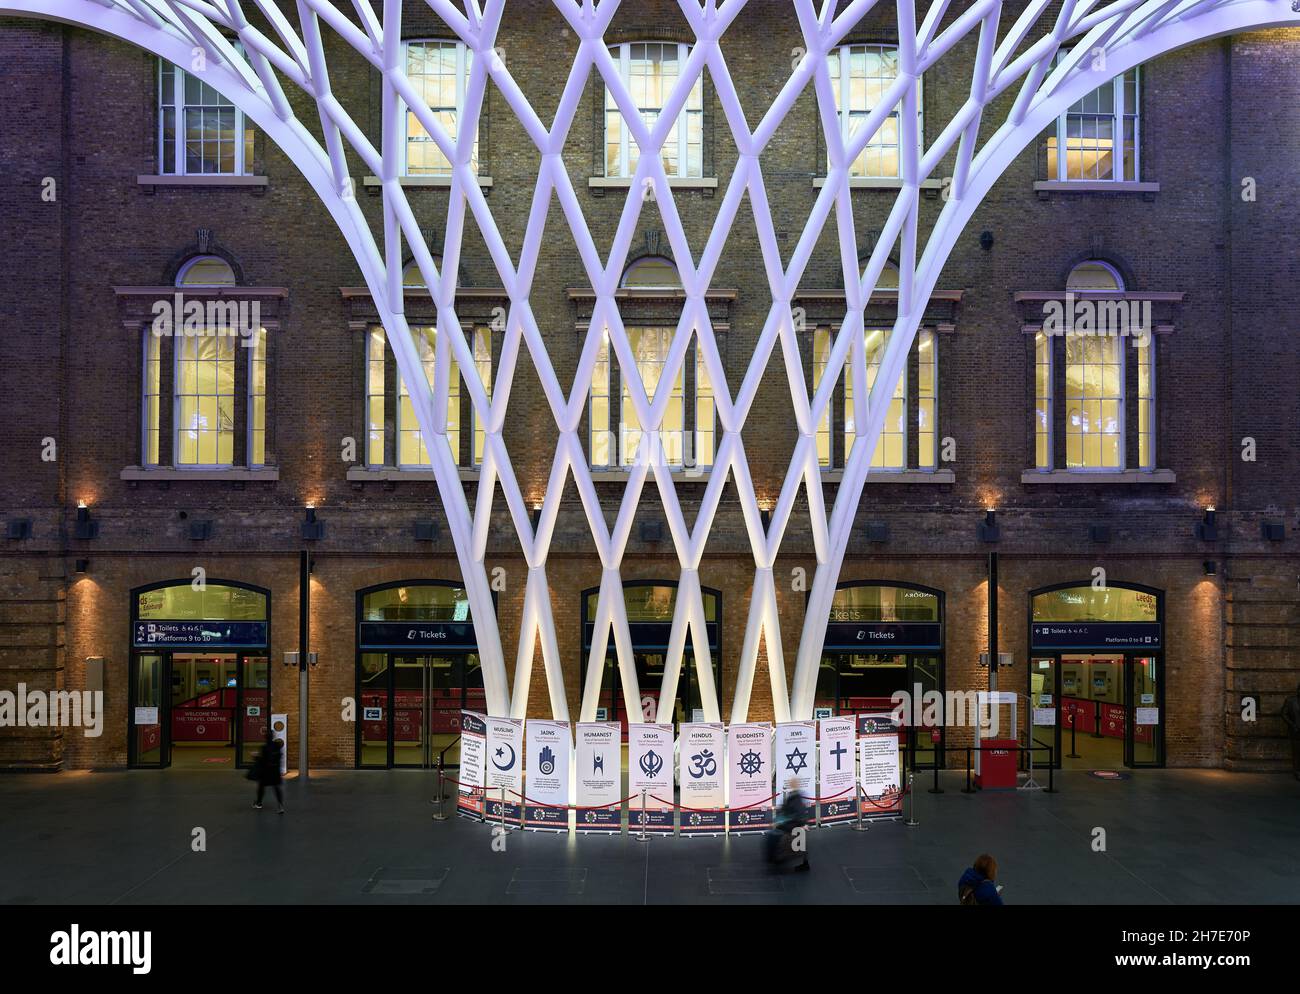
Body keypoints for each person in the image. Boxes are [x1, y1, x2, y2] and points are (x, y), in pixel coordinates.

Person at [766, 779, 810, 871]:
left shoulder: (795, 798)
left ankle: (777, 858)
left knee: (780, 838)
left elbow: (798, 812)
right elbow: (786, 810)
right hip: (792, 823)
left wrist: (801, 823)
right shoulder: (794, 796)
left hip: (792, 824)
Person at [251, 732, 285, 813]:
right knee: (276, 788)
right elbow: (280, 756)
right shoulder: (277, 746)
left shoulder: (264, 747)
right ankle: (280, 806)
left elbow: (262, 760)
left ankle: (259, 803)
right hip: (275, 771)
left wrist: (255, 757)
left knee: (261, 786)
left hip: (266, 771)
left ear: (265, 738)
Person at [1282, 683, 1300, 782]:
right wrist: (1292, 725)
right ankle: (1297, 771)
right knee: (1296, 752)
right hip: (1296, 731)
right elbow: (1283, 714)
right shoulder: (1291, 701)